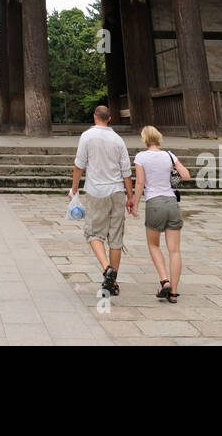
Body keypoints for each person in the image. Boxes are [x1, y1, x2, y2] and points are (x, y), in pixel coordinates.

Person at [69, 104, 133, 298]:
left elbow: (79, 165)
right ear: (110, 118)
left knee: (93, 233)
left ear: (94, 117)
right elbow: (126, 171)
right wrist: (130, 196)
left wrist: (74, 188)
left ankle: (107, 269)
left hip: (96, 191)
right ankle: (112, 283)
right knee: (115, 238)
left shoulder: (87, 137)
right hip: (117, 191)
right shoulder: (118, 140)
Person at [131, 125, 191, 302]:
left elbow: (140, 183)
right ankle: (174, 293)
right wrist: (173, 170)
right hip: (172, 202)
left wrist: (134, 204)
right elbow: (186, 175)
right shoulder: (170, 155)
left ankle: (165, 281)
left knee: (154, 245)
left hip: (154, 203)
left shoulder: (141, 157)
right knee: (175, 250)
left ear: (144, 139)